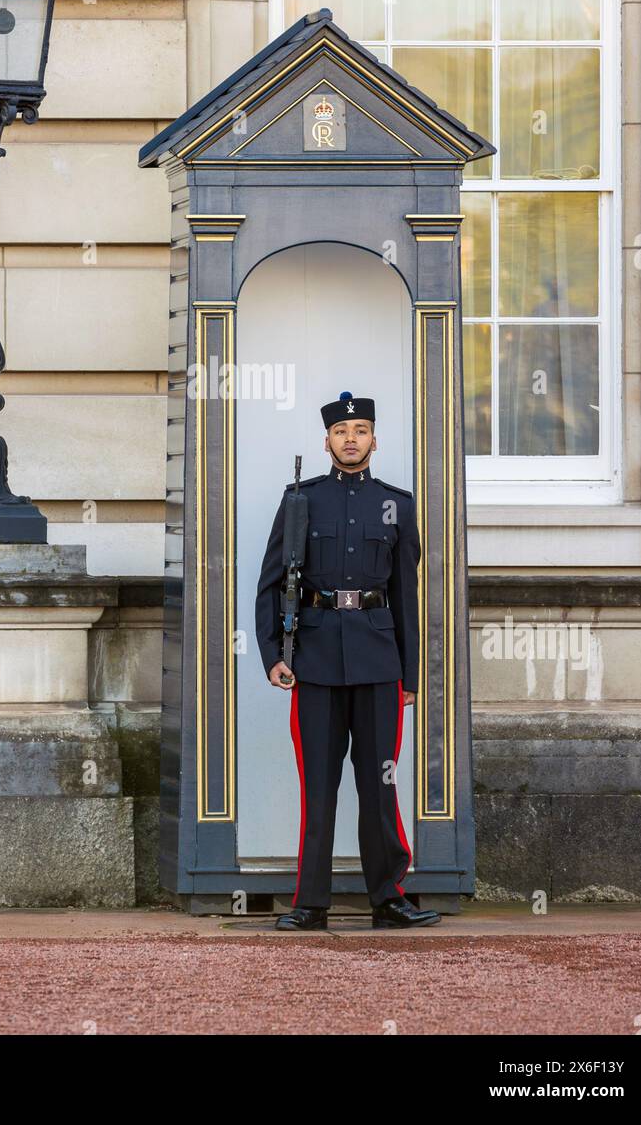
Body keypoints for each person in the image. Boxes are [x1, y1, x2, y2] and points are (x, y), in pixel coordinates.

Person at [255, 391, 442, 931]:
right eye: (342, 431)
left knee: (378, 785)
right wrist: (273, 655)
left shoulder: (397, 504)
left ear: (374, 439)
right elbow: (270, 585)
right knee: (319, 787)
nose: (351, 439)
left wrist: (409, 675)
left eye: (360, 430)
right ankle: (310, 903)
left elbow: (406, 595)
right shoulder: (301, 500)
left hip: (379, 664)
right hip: (313, 661)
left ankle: (388, 898)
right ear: (328, 440)